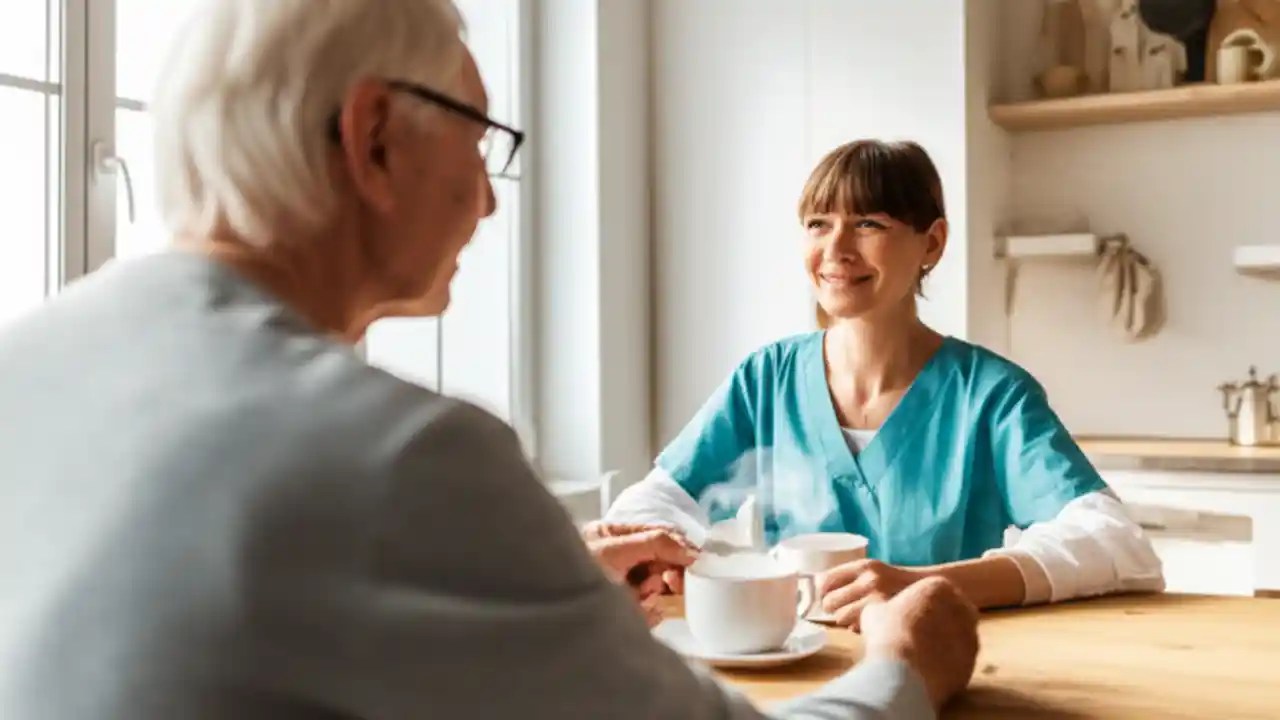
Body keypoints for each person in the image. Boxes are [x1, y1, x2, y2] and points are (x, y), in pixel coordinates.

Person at [0, 2, 979, 717]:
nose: (490, 200)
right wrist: (903, 669)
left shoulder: (26, 368)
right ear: (374, 137)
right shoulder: (404, 457)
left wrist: (537, 587)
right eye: (481, 143)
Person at [607, 139, 1166, 626]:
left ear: (932, 243)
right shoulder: (766, 380)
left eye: (868, 224)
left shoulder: (991, 396)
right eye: (818, 224)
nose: (836, 250)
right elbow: (657, 501)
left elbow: (1116, 541)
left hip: (940, 670)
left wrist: (927, 585)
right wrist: (658, 552)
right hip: (798, 668)